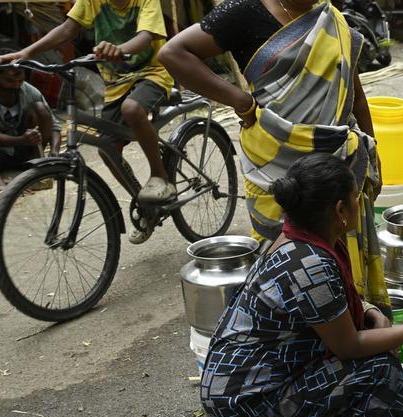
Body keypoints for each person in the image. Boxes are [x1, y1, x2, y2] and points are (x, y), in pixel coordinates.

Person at [200, 154, 403, 417]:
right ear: (340, 210)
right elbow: (350, 347)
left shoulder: (293, 238)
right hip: (246, 401)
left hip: (234, 382)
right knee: (380, 371)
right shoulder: (310, 263)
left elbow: (324, 303)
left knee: (374, 354)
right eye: (355, 197)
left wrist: (371, 310)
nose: (358, 203)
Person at [159, 0, 379, 247]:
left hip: (335, 161)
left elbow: (357, 97)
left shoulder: (331, 19)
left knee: (342, 250)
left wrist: (374, 155)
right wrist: (240, 100)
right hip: (273, 162)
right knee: (280, 253)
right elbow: (173, 54)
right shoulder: (246, 10)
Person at [0, 0, 176, 242]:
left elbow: (145, 37)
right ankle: (147, 206)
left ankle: (160, 177)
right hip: (116, 83)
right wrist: (25, 53)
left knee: (132, 109)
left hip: (152, 74)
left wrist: (118, 48)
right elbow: (68, 28)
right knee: (107, 150)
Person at [0, 50, 57, 198]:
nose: (16, 85)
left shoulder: (28, 90)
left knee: (40, 109)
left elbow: (54, 125)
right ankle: (4, 190)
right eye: (9, 80)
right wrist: (22, 140)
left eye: (20, 80)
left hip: (24, 152)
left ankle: (36, 165)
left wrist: (54, 152)